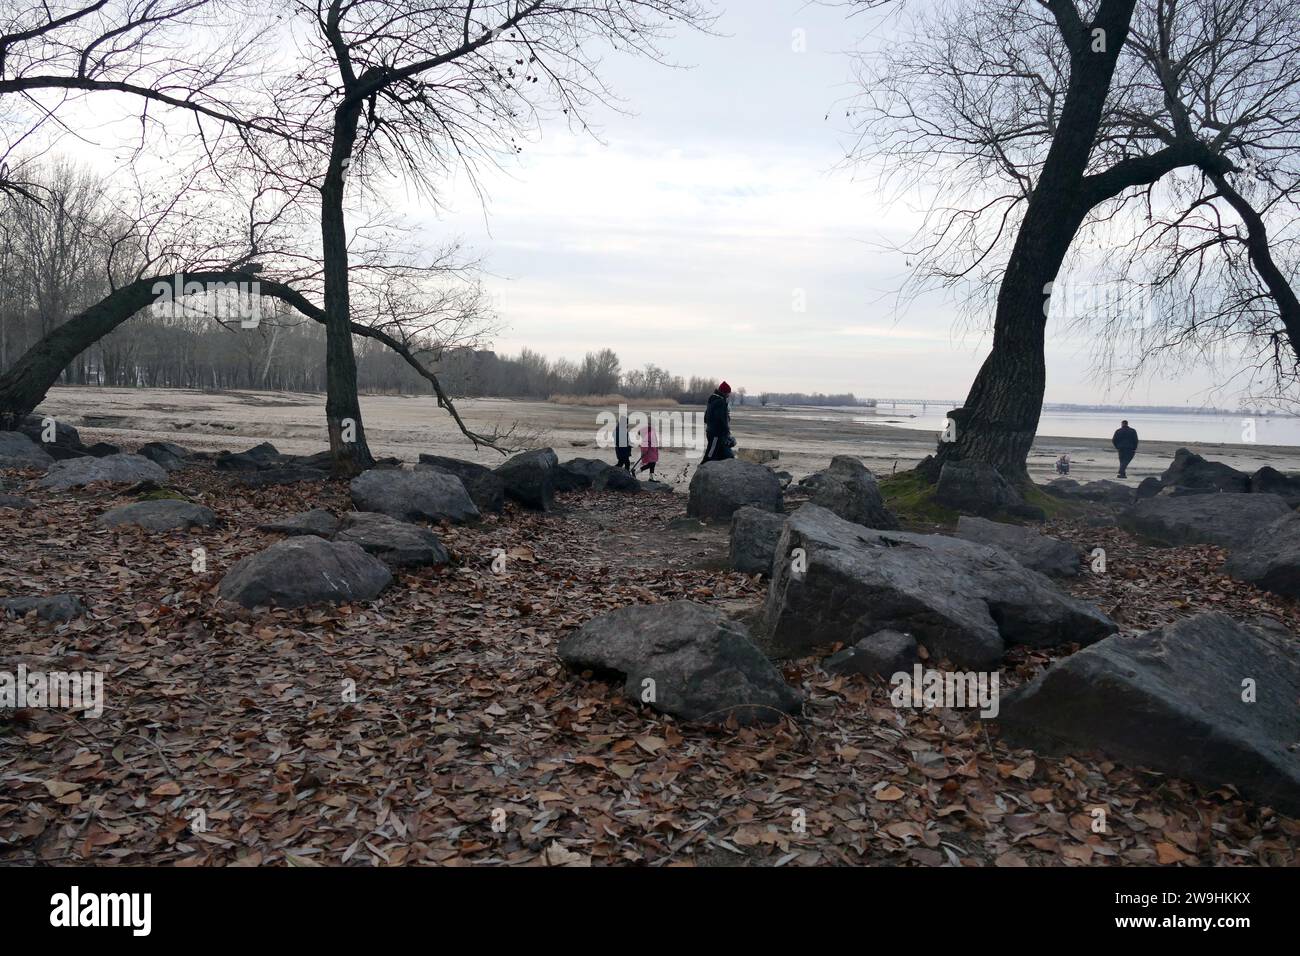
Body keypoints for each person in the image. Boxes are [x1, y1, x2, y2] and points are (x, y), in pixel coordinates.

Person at [703, 381, 735, 462]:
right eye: (728, 393)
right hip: (716, 433)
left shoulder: (712, 400)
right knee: (711, 453)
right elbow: (722, 419)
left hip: (711, 431)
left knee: (720, 452)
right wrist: (727, 432)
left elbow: (705, 418)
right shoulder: (720, 402)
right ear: (724, 393)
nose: (729, 395)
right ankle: (703, 467)